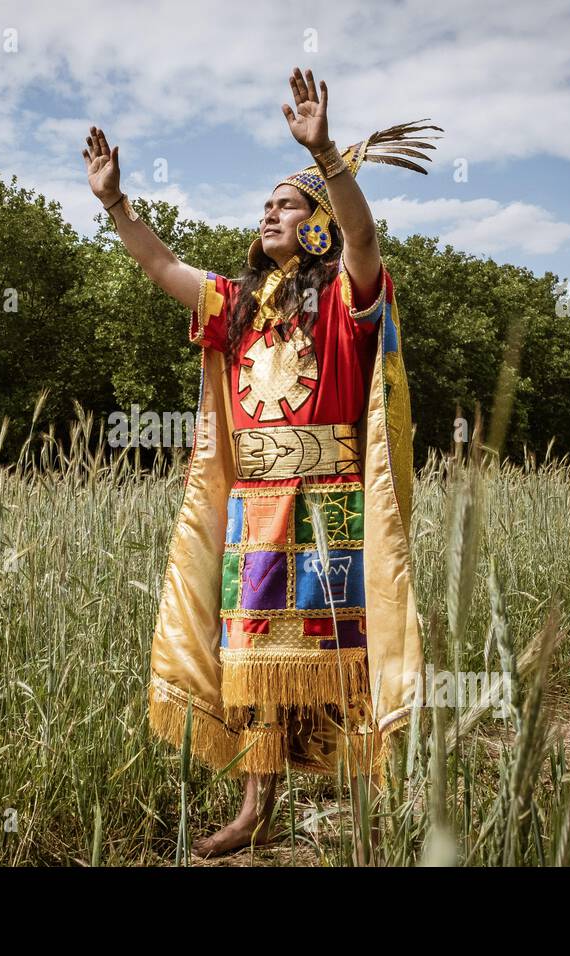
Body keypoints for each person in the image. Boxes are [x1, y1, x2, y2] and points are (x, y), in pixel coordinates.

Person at [84, 68, 435, 861]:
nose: (268, 213)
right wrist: (114, 203)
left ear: (314, 225)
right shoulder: (235, 305)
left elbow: (366, 241)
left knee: (340, 659)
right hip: (257, 506)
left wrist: (324, 158)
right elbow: (161, 268)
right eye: (266, 206)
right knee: (253, 668)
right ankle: (254, 812)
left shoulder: (346, 298)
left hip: (331, 505)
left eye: (284, 203)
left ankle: (367, 812)